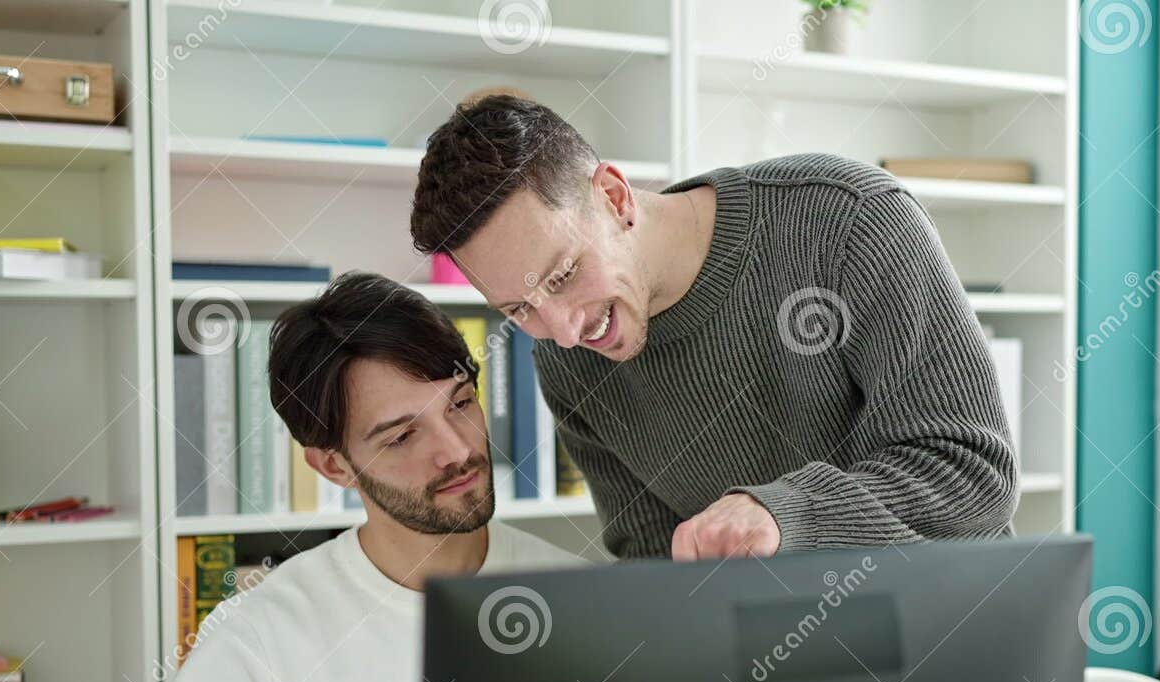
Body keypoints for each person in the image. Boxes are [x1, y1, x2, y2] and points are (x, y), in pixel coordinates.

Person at [94, 273, 583, 682]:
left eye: (460, 403)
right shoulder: (259, 637)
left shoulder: (578, 595)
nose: (457, 450)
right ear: (334, 464)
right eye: (403, 435)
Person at [410, 96, 1018, 562]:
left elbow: (974, 475)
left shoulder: (845, 220)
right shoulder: (567, 361)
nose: (565, 331)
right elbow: (652, 565)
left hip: (953, 652)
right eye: (519, 310)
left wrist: (785, 515)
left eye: (565, 274)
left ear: (616, 197)